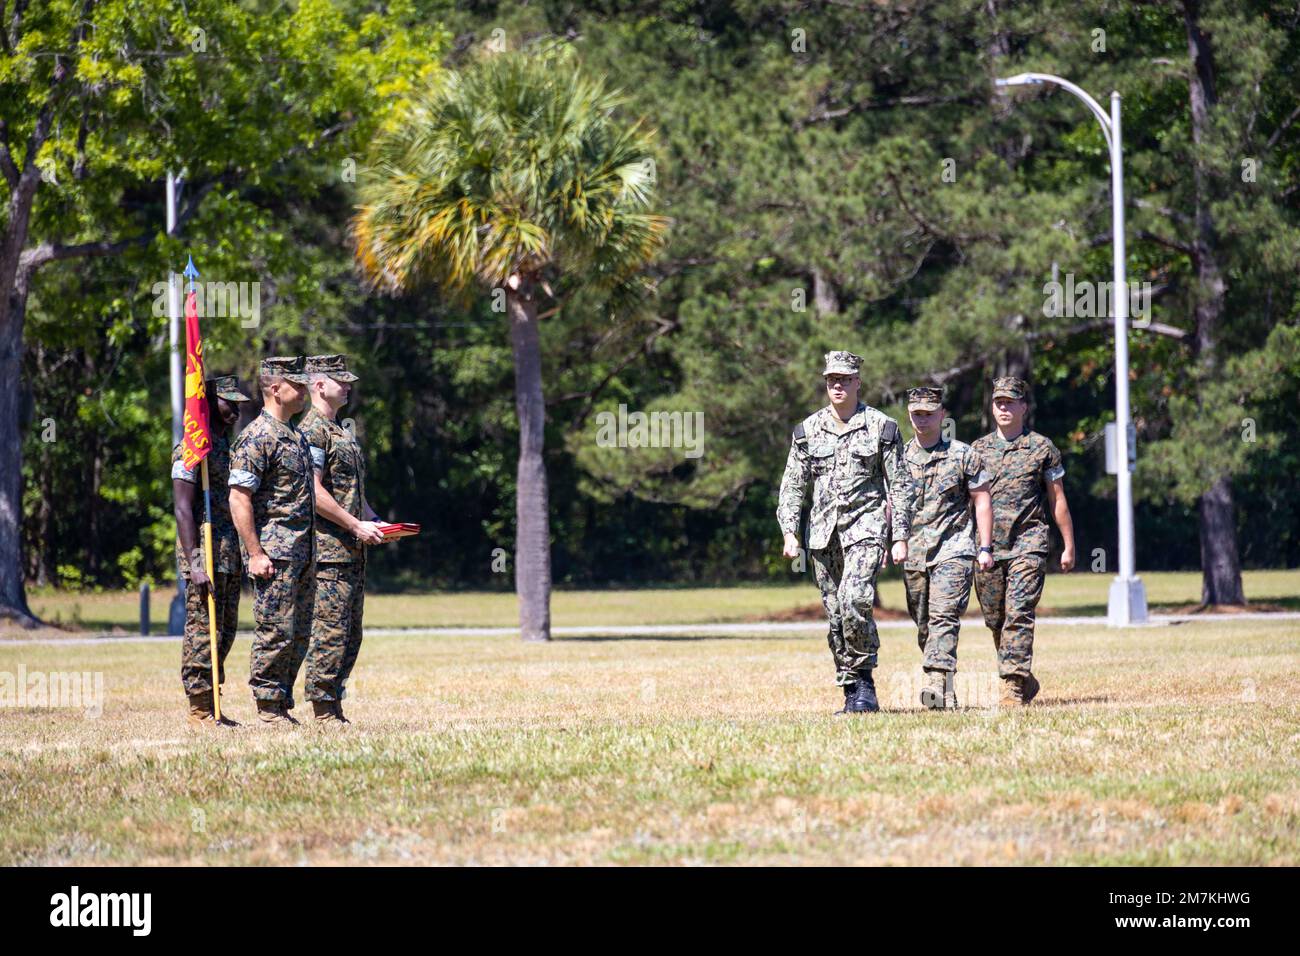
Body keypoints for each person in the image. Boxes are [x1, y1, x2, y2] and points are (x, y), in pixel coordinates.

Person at [777, 351, 914, 714]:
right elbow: (792, 485)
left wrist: (899, 536)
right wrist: (790, 532)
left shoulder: (882, 427)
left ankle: (865, 681)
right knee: (837, 615)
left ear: (857, 382)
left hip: (866, 528)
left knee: (855, 599)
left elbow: (899, 485)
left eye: (844, 379)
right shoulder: (807, 431)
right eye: (831, 380)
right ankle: (851, 690)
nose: (837, 385)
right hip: (823, 536)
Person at [971, 376, 1076, 706]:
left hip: (1028, 543)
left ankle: (1012, 685)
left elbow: (1057, 499)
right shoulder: (977, 450)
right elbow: (967, 501)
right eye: (998, 402)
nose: (1003, 407)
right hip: (987, 546)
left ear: (1023, 408)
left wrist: (1068, 545)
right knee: (996, 619)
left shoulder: (1042, 448)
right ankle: (1023, 679)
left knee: (1019, 613)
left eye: (1010, 402)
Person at [228, 356, 316, 725]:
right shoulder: (256, 437)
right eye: (298, 384)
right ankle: (267, 706)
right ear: (276, 389)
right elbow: (238, 497)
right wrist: (254, 552)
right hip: (274, 552)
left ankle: (282, 704)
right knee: (275, 630)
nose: (305, 390)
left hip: (302, 551)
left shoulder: (296, 435)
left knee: (298, 633)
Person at [298, 354, 386, 724]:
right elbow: (314, 493)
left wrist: (376, 520)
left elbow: (352, 490)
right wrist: (354, 525)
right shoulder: (313, 430)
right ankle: (322, 709)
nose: (348, 386)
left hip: (352, 550)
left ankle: (334, 704)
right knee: (330, 631)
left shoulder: (338, 431)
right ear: (319, 386)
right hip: (330, 551)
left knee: (351, 632)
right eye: (340, 381)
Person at [901, 386, 993, 710]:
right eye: (916, 414)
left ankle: (934, 682)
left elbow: (982, 499)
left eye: (929, 413)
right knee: (925, 624)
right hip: (913, 553)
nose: (922, 419)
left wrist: (985, 546)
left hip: (954, 548)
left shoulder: (963, 455)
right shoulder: (899, 458)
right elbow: (891, 504)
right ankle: (946, 690)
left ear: (942, 415)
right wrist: (890, 542)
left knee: (944, 616)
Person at [172, 374, 251, 726]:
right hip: (203, 549)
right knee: (203, 628)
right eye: (227, 402)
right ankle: (200, 706)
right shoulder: (192, 446)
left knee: (226, 628)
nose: (234, 409)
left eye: (237, 403)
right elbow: (182, 508)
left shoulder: (226, 447)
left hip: (228, 548)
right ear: (208, 403)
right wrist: (193, 561)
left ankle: (215, 700)